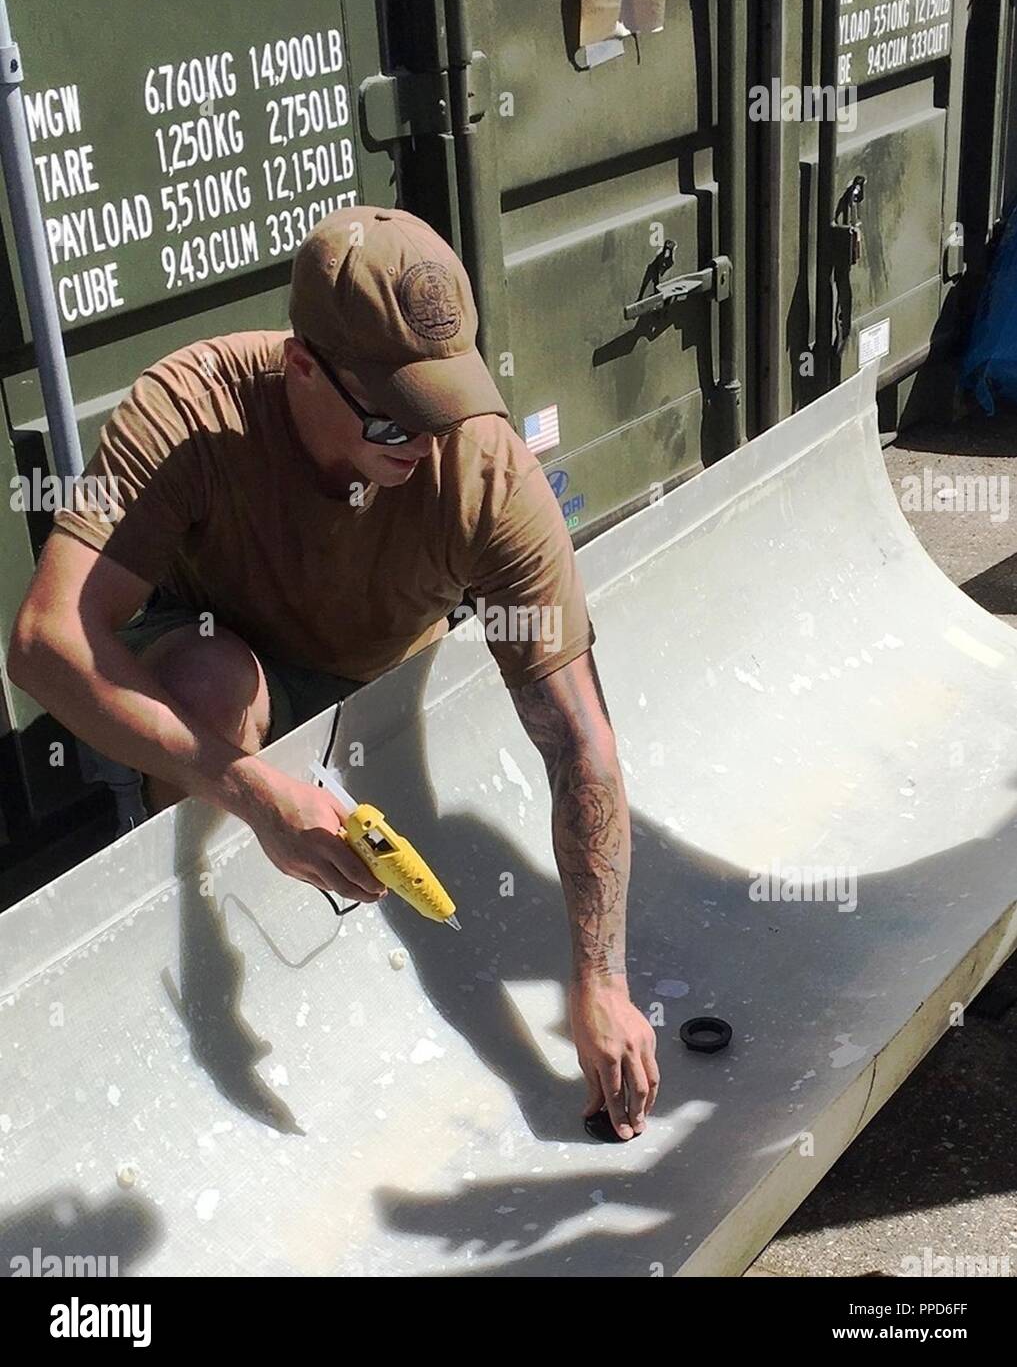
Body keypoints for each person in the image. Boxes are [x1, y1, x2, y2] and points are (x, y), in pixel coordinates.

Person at [7, 205, 659, 1139]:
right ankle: (205, 973)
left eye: (442, 406)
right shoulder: (190, 411)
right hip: (223, 668)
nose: (424, 445)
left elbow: (578, 739)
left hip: (385, 684)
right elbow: (45, 641)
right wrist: (256, 791)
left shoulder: (481, 469)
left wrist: (601, 983)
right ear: (302, 368)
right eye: (395, 417)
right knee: (212, 685)